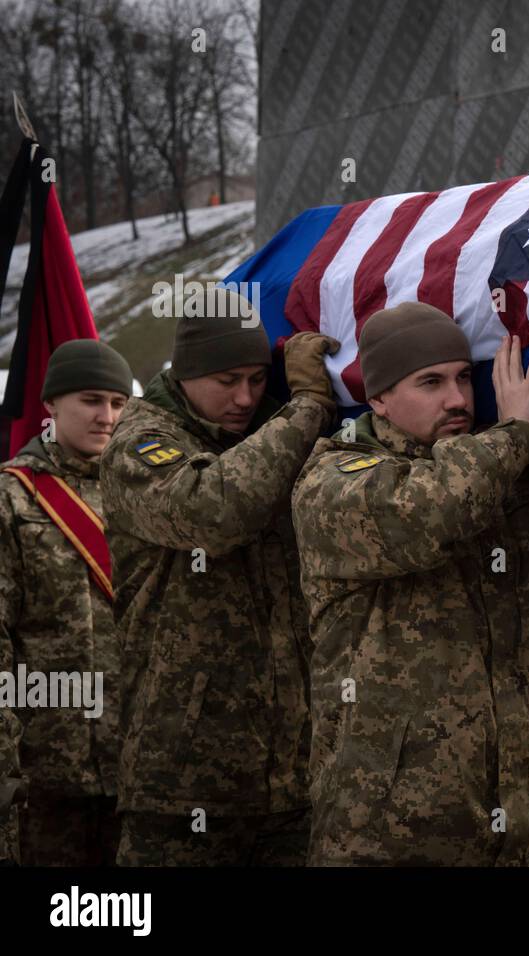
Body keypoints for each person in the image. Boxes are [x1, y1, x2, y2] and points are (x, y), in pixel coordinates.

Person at [292, 302, 529, 865]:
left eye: (466, 377)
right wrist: (517, 431)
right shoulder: (332, 480)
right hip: (395, 827)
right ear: (377, 399)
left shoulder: (514, 474)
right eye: (431, 382)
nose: (459, 400)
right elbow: (427, 509)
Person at [100, 293, 339, 865]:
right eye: (227, 380)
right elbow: (214, 510)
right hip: (182, 775)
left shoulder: (266, 432)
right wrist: (306, 406)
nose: (245, 397)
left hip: (293, 773)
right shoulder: (140, 442)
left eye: (258, 379)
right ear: (184, 376)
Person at [0, 339, 132, 865]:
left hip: (138, 769)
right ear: (52, 404)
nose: (106, 417)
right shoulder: (12, 500)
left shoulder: (143, 494)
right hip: (45, 771)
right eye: (92, 400)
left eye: (119, 404)